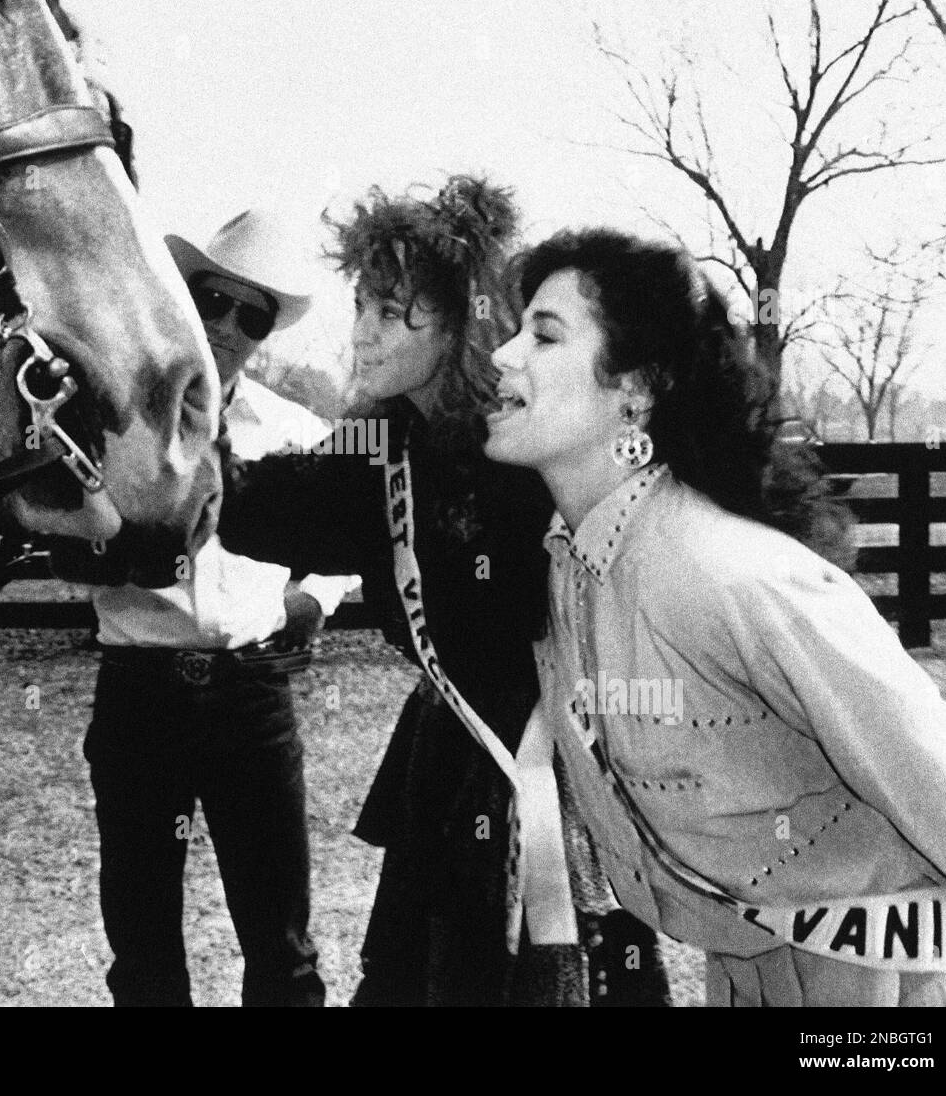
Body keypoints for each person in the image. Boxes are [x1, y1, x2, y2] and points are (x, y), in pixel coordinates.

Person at [485, 226, 946, 1006]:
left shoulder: (735, 578)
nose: (504, 355)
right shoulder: (565, 572)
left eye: (543, 335)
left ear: (636, 388)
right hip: (745, 979)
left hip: (894, 992)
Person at [218, 177, 669, 1006]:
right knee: (415, 973)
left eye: (391, 313)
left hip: (563, 761)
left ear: (464, 318)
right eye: (360, 307)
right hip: (453, 752)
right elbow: (257, 510)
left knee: (572, 974)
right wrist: (174, 432)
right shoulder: (376, 444)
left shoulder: (537, 433)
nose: (362, 335)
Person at [73, 209, 328, 1007]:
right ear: (181, 295)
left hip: (251, 694)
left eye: (249, 313)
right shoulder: (114, 427)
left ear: (264, 332)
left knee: (281, 941)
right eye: (211, 298)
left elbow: (353, 533)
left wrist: (313, 595)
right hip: (140, 688)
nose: (224, 323)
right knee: (144, 946)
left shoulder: (295, 431)